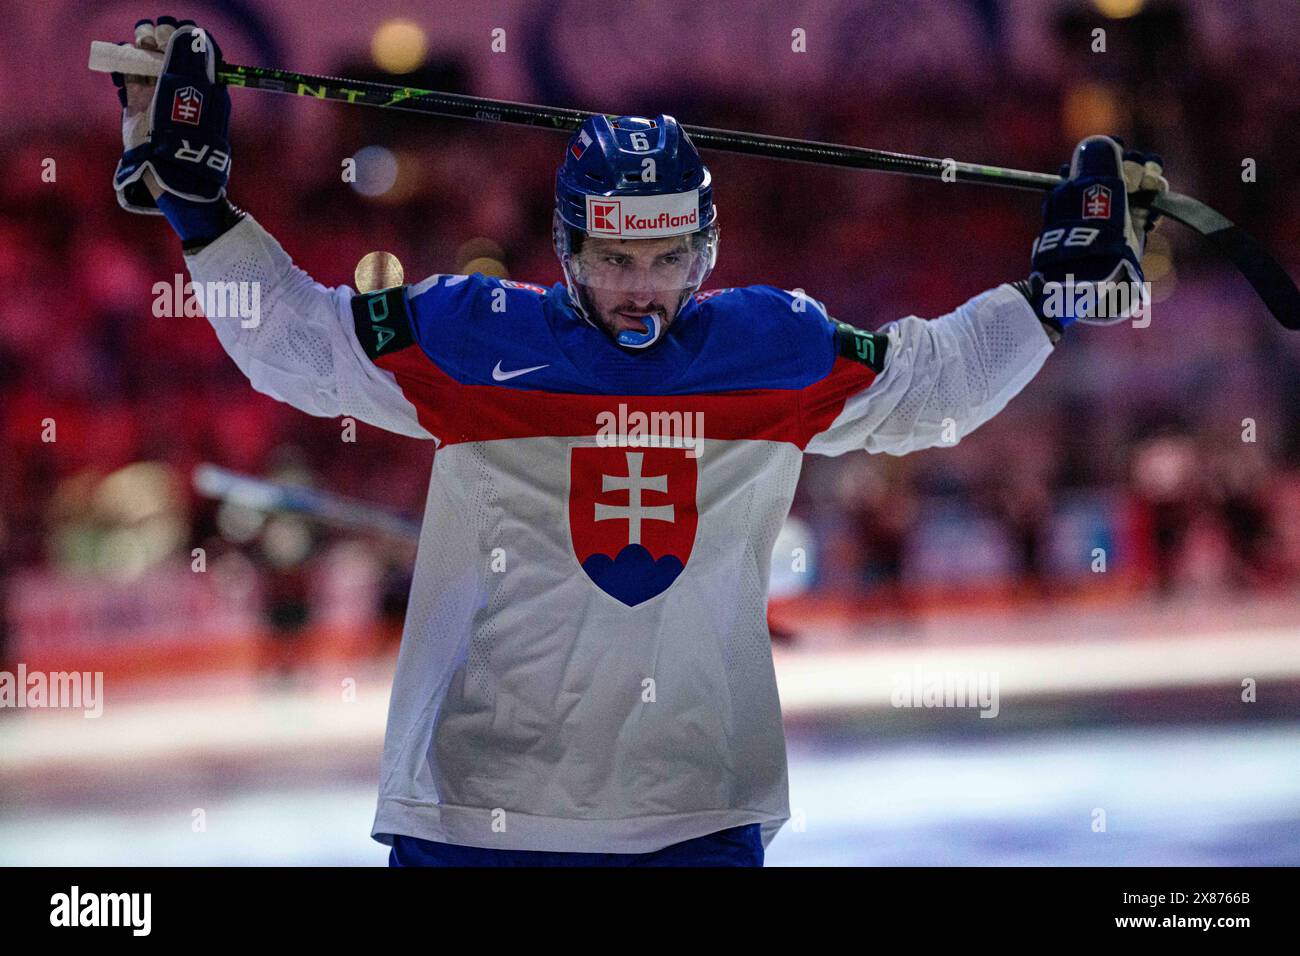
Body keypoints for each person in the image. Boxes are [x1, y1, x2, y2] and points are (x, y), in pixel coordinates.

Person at [111, 18, 1168, 866]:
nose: (641, 289)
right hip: (480, 820)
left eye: (667, 256)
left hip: (694, 821)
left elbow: (932, 388)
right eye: (615, 259)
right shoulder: (466, 334)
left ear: (704, 244)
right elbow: (295, 346)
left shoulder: (776, 348)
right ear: (565, 246)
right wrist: (199, 212)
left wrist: (1053, 289)